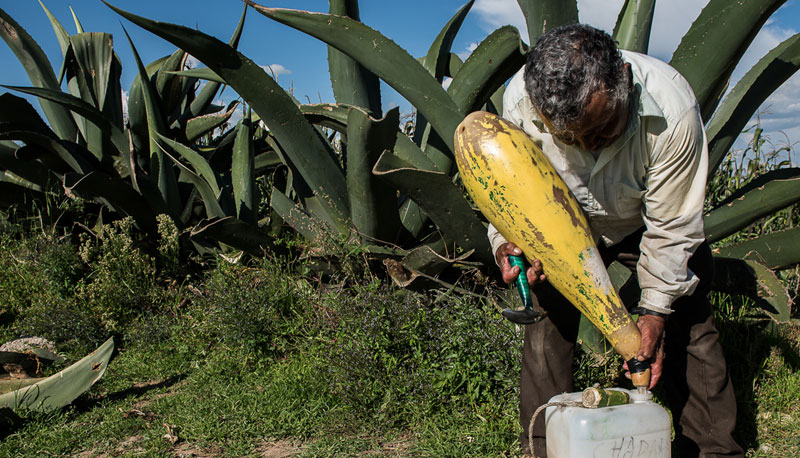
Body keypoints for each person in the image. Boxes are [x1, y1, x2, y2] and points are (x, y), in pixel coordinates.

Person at [488, 24, 744, 457]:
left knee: (691, 320)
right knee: (547, 327)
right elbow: (505, 184)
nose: (589, 146)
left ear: (622, 77)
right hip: (558, 221)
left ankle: (714, 450)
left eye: (603, 128)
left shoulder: (672, 108)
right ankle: (547, 449)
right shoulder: (520, 104)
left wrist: (655, 311)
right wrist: (507, 241)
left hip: (646, 219)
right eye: (569, 138)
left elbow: (673, 227)